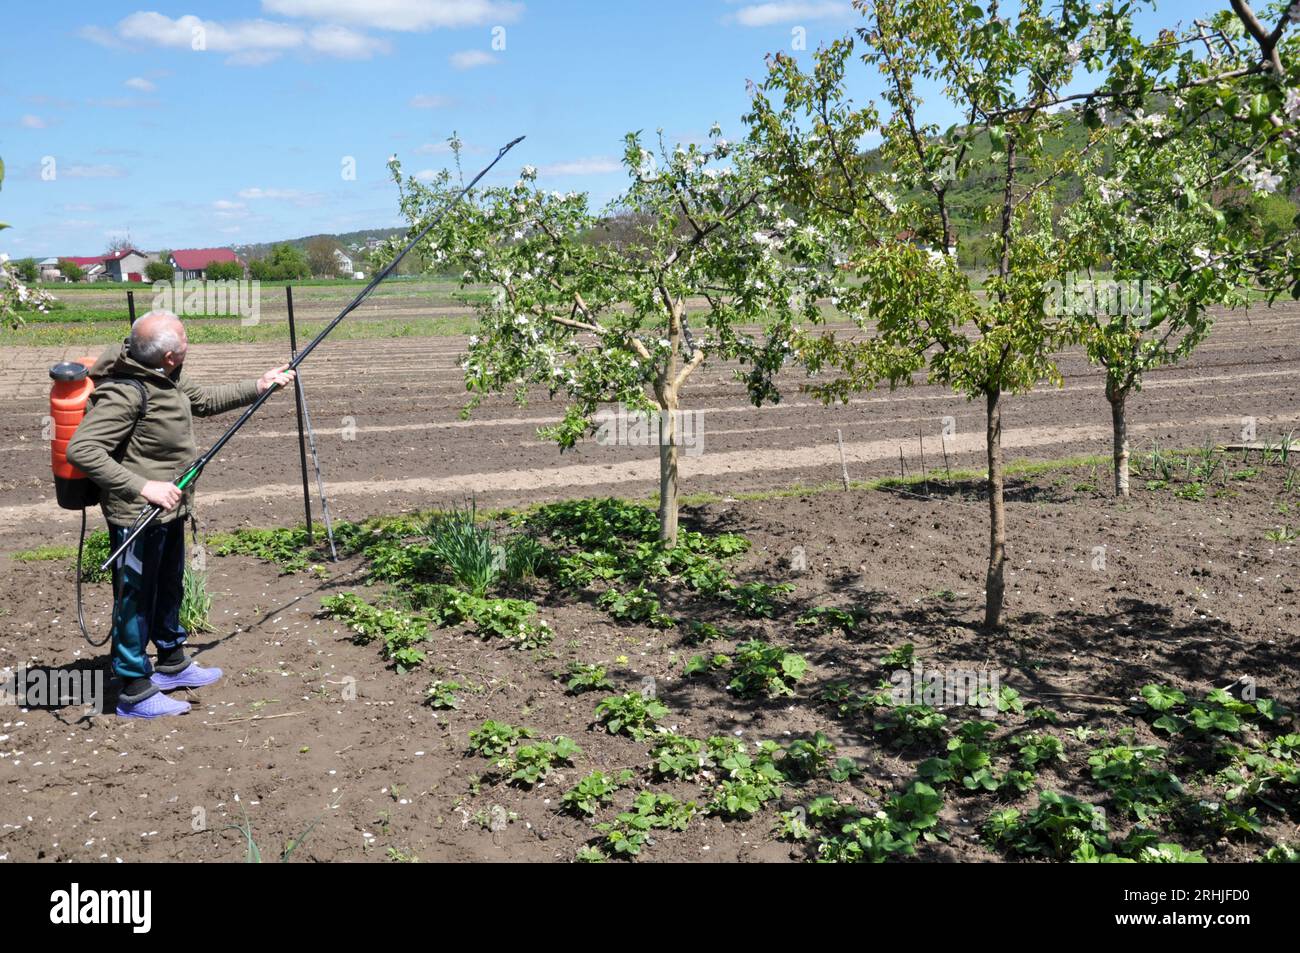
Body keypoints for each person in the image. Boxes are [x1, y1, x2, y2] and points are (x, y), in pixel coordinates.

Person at [67, 310, 295, 719]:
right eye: (185, 338)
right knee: (135, 600)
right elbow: (82, 450)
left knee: (168, 585)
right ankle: (134, 691)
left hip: (169, 510)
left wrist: (259, 386)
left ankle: (171, 663)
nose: (190, 341)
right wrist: (144, 486)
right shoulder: (126, 391)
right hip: (137, 515)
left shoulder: (165, 375)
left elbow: (203, 401)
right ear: (169, 355)